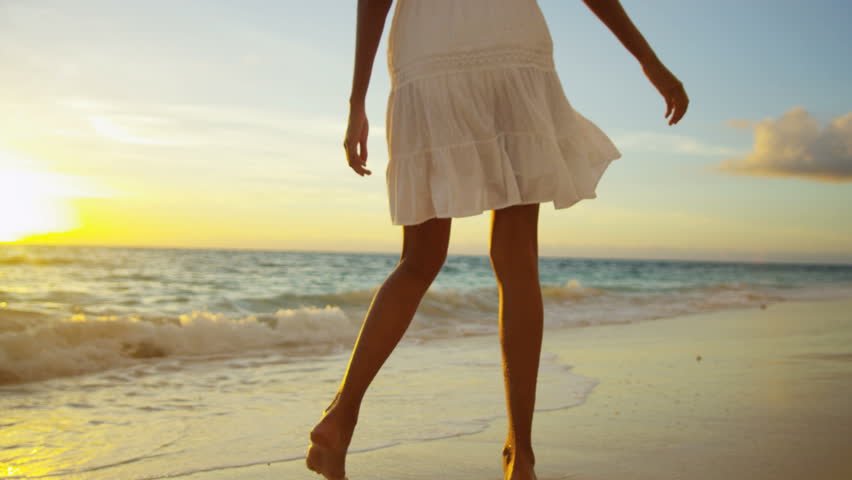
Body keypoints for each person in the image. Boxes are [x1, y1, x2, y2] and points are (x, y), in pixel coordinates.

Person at [306, 0, 688, 479]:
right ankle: (520, 456)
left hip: (429, 52)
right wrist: (647, 59)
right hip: (509, 44)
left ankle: (342, 418)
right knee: (517, 260)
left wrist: (356, 99)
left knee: (420, 261)